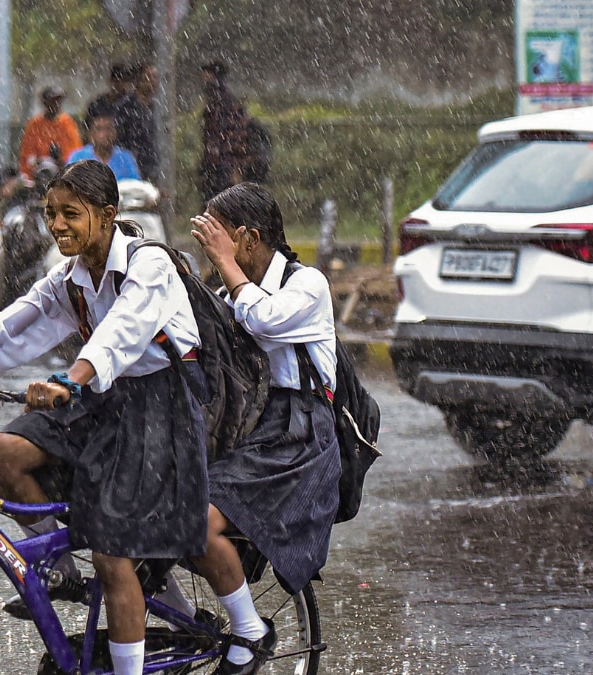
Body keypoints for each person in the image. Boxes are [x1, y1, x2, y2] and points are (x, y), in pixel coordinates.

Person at [0, 160, 223, 675]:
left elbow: (123, 332)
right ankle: (59, 571)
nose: (57, 224)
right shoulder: (68, 279)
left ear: (108, 216)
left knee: (114, 549)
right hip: (103, 398)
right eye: (50, 214)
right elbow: (5, 328)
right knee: (4, 456)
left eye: (71, 213)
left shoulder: (148, 265)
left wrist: (71, 379)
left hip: (162, 405)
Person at [189, 182, 340, 675]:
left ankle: (250, 632)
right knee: (157, 501)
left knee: (199, 519)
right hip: (246, 426)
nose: (210, 247)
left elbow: (264, 322)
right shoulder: (226, 289)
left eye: (218, 237)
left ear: (249, 239)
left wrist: (226, 268)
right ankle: (187, 619)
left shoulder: (307, 285)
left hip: (296, 433)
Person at [198, 61, 271, 202]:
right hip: (218, 169)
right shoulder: (220, 104)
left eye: (207, 76)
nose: (204, 81)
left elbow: (229, 140)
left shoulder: (222, 105)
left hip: (221, 170)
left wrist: (233, 168)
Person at [17, 86, 83, 179]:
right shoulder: (34, 124)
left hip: (64, 175)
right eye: (52, 100)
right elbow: (27, 156)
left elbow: (75, 152)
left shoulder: (67, 122)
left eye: (58, 100)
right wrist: (40, 161)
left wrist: (60, 161)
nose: (55, 104)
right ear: (44, 103)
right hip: (38, 175)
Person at [115, 64, 160, 183]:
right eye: (148, 78)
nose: (153, 82)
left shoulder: (155, 107)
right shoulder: (125, 107)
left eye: (156, 77)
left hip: (151, 167)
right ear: (138, 81)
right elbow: (120, 138)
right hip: (131, 167)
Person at [67, 112, 142, 181]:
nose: (104, 134)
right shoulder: (78, 157)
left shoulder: (125, 157)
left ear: (115, 132)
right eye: (98, 129)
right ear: (90, 134)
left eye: (109, 128)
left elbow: (135, 185)